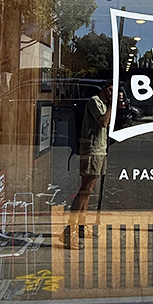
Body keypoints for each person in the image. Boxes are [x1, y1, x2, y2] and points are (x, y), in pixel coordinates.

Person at [61, 81, 113, 248]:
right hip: (92, 150)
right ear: (104, 89)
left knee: (89, 191)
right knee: (84, 190)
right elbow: (103, 122)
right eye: (111, 90)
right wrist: (112, 105)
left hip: (100, 149)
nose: (112, 93)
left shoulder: (103, 104)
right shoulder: (95, 102)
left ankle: (81, 226)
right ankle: (69, 230)